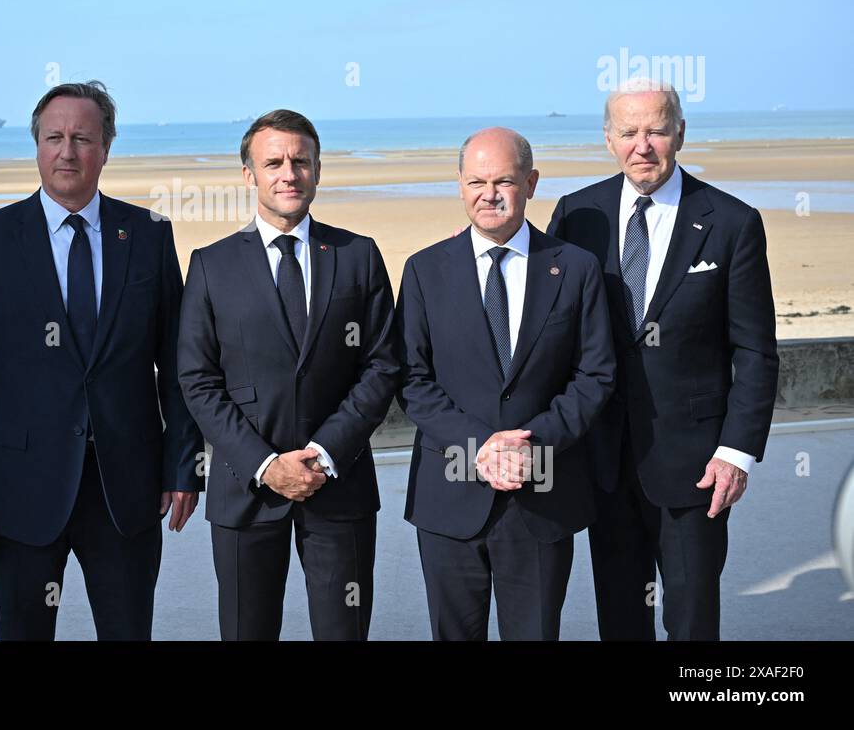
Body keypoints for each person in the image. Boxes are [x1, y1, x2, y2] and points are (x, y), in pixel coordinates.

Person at [0, 81, 203, 640]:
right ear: (36, 146)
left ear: (105, 148)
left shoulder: (151, 236)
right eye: (54, 137)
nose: (67, 151)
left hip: (126, 490)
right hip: (19, 492)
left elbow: (176, 367)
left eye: (82, 138)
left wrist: (184, 467)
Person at [547, 78, 779, 640]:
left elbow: (755, 350)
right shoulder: (578, 215)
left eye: (655, 130)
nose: (642, 145)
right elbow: (543, 313)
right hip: (602, 457)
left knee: (693, 617)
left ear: (679, 132)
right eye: (629, 132)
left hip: (698, 464)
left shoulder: (731, 221)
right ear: (608, 138)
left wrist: (737, 453)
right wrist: (475, 248)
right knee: (621, 618)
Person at [177, 109, 400, 640]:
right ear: (249, 175)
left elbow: (382, 364)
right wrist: (265, 464)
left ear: (318, 171)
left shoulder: (358, 256)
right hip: (245, 492)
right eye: (273, 162)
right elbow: (197, 378)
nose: (288, 173)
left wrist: (323, 453)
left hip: (338, 486)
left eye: (301, 161)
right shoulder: (211, 265)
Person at [396, 126, 615, 640]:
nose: (488, 194)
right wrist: (480, 448)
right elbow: (411, 377)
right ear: (459, 184)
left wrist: (529, 445)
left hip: (542, 495)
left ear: (531, 183)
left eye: (503, 181)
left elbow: (596, 374)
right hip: (449, 495)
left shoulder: (576, 269)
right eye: (475, 181)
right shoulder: (424, 270)